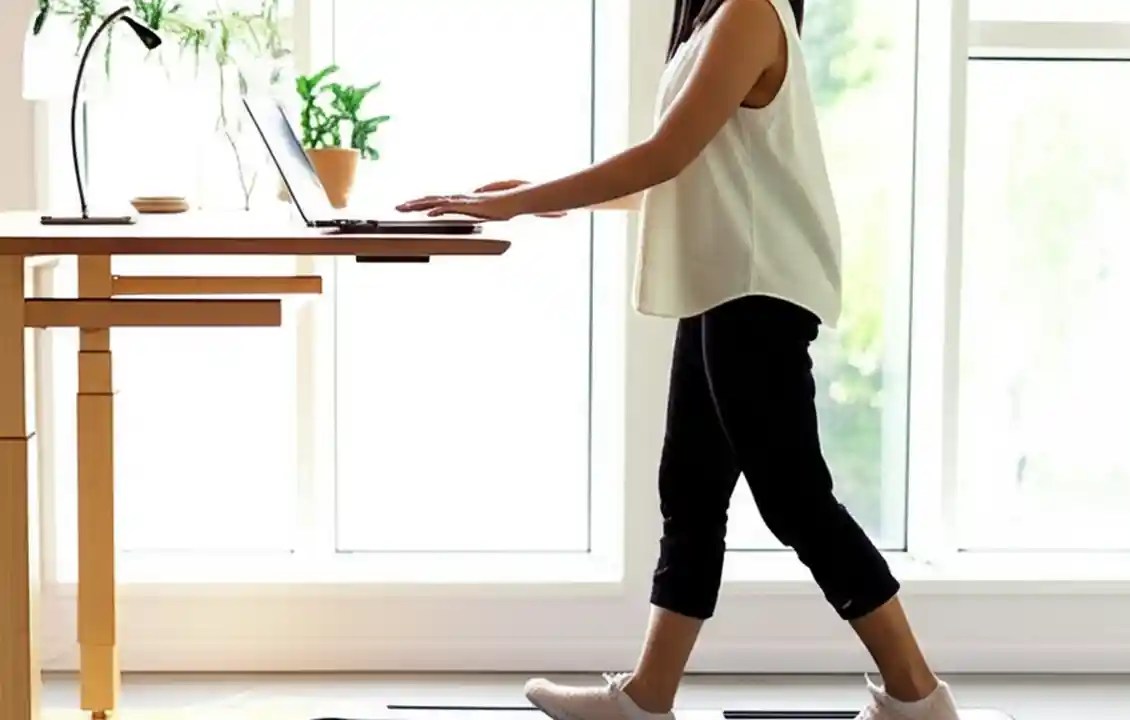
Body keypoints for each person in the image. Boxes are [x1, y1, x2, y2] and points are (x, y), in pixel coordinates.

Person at [397, 0, 961, 719]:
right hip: (723, 285)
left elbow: (665, 155)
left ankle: (918, 695)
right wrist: (540, 199)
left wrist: (525, 202)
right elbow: (689, 171)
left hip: (757, 289)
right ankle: (646, 697)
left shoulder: (749, 14)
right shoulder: (711, 22)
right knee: (690, 495)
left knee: (796, 501)